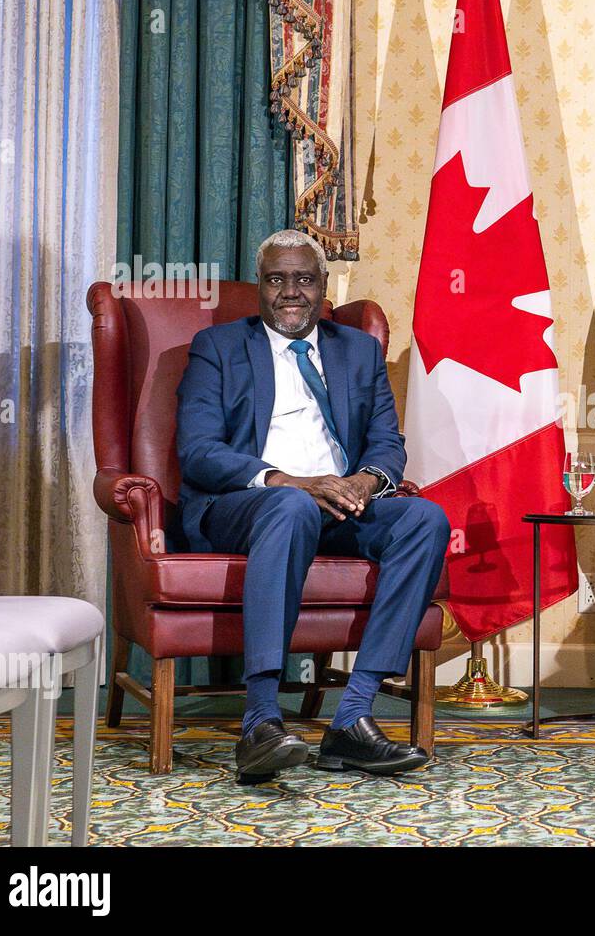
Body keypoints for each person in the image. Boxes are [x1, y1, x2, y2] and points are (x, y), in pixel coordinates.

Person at [176, 229, 450, 784]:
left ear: (323, 286)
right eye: (277, 280)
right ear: (260, 287)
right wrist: (292, 483)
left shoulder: (358, 350)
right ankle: (259, 722)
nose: (291, 292)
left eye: (304, 279)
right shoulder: (220, 347)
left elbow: (385, 442)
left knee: (425, 519)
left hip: (341, 502)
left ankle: (352, 718)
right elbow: (198, 451)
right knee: (290, 508)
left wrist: (366, 483)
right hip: (248, 505)